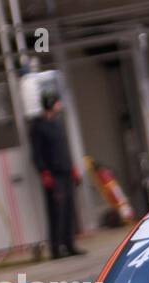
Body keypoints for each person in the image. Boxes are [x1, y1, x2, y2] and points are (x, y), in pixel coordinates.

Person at [28, 90, 84, 259]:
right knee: (56, 212)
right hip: (54, 175)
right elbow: (36, 154)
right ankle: (56, 248)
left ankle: (69, 244)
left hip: (65, 172)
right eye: (57, 103)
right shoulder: (39, 127)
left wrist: (72, 167)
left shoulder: (57, 123)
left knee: (68, 209)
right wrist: (44, 173)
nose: (59, 106)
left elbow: (64, 148)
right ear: (51, 104)